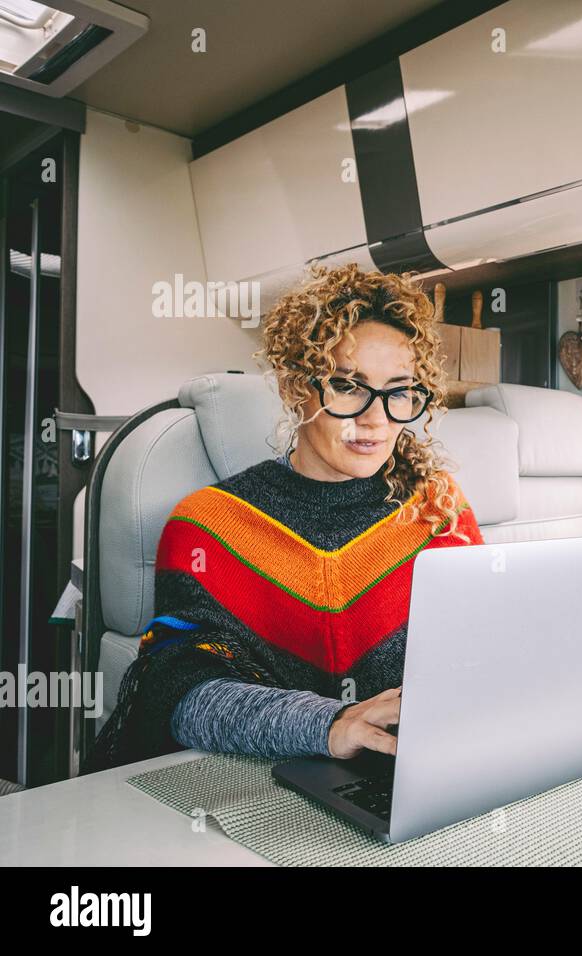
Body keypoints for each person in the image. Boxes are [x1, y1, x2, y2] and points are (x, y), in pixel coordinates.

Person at [87, 264, 483, 771]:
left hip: (418, 775)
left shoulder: (439, 508)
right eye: (348, 386)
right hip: (256, 787)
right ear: (297, 388)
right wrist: (328, 724)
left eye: (399, 391)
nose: (377, 419)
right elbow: (178, 695)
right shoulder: (207, 525)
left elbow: (480, 654)